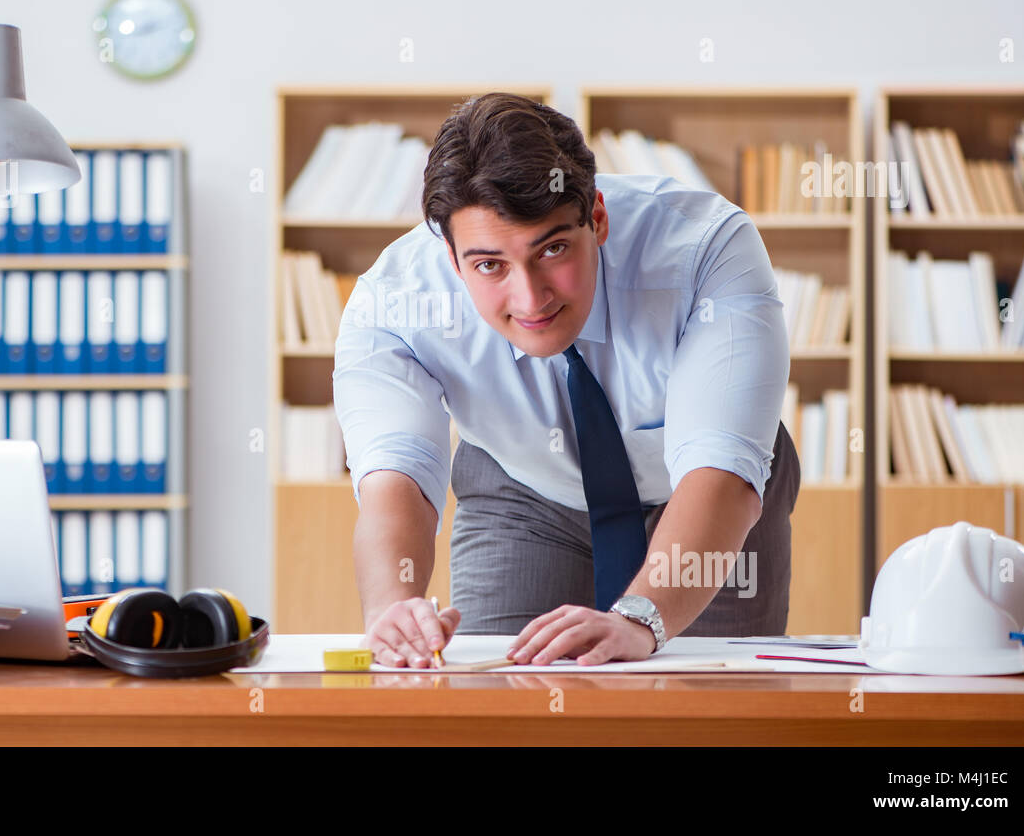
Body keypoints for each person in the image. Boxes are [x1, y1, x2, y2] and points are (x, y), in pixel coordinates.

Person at [333, 92, 800, 668]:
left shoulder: (706, 247)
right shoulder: (394, 303)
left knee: (708, 701)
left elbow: (721, 468)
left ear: (597, 218)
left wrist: (640, 620)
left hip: (706, 493)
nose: (530, 299)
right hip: (521, 490)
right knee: (504, 696)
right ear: (451, 261)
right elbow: (394, 478)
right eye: (489, 265)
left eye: (552, 249)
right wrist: (393, 610)